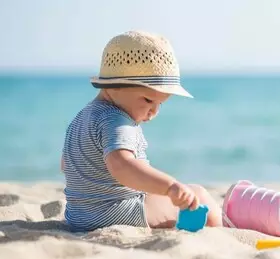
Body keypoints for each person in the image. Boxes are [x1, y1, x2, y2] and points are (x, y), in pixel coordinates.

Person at [61, 30, 223, 232]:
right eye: (148, 100)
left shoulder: (81, 117)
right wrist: (169, 187)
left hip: (77, 215)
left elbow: (66, 164)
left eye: (160, 104)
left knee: (173, 199)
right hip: (113, 212)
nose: (154, 111)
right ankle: (221, 230)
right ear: (113, 87)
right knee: (199, 195)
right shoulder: (116, 120)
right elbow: (122, 165)